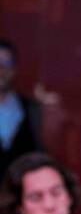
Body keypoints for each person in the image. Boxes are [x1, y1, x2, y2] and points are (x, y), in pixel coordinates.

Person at [0, 39, 43, 180]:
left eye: (7, 63)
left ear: (15, 68)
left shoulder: (31, 110)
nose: (1, 69)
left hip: (22, 196)